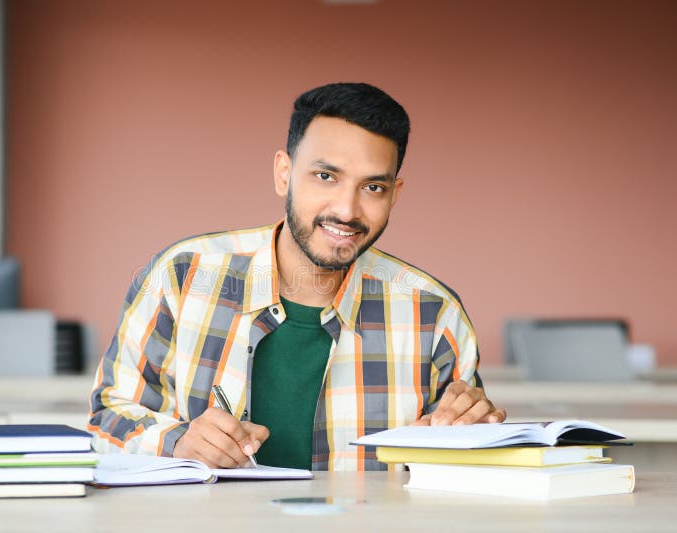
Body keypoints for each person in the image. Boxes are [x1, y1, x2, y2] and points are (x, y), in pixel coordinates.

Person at [88, 82, 505, 471]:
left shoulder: (434, 313)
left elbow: (467, 464)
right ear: (283, 173)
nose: (346, 209)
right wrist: (177, 442)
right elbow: (108, 417)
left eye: (372, 188)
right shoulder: (181, 275)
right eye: (326, 176)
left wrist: (477, 433)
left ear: (395, 194)